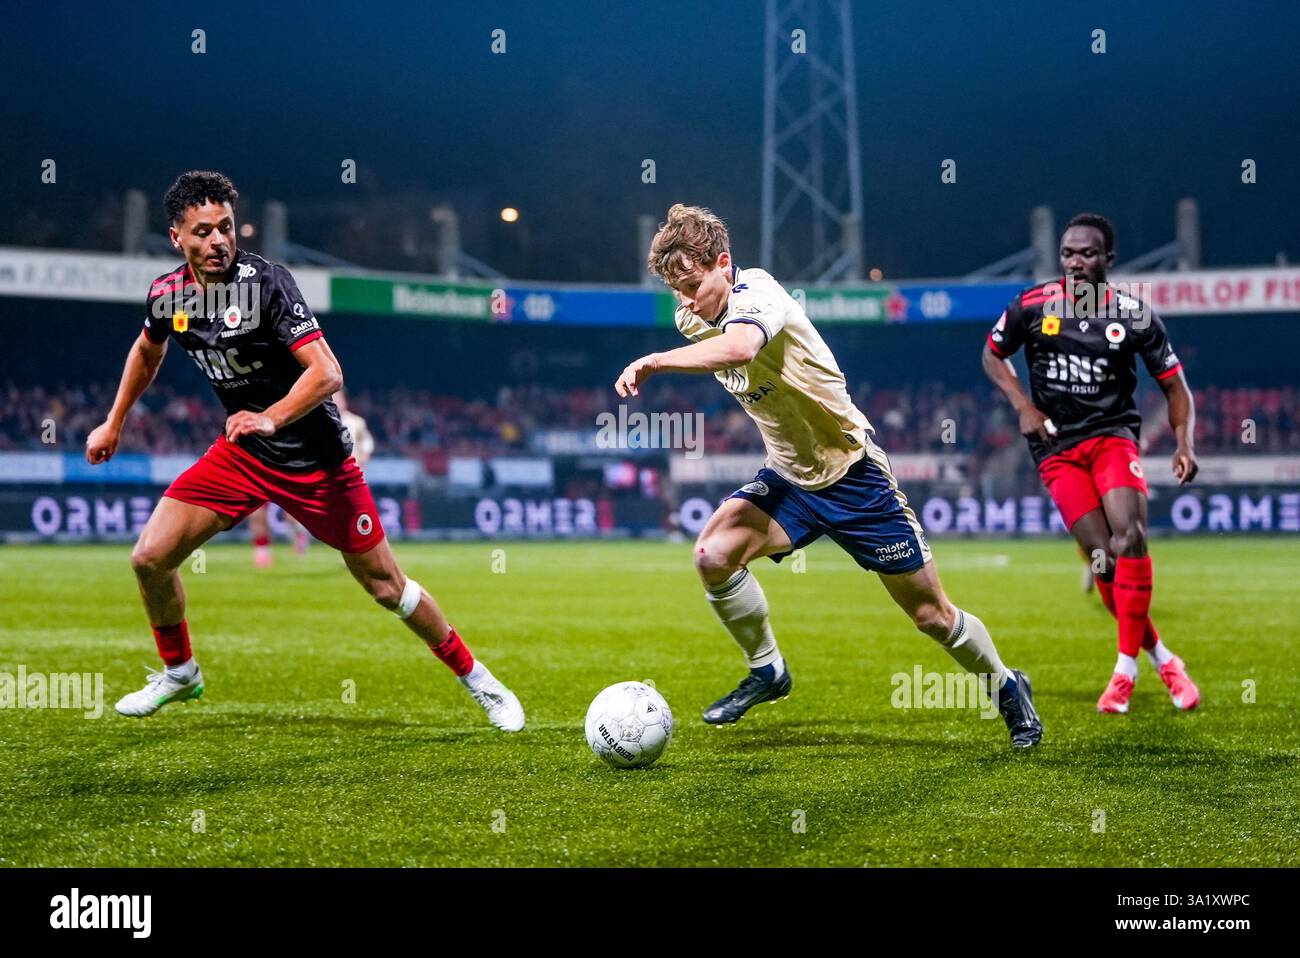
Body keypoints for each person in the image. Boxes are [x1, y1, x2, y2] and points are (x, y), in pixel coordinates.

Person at [86, 170, 524, 730]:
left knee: (386, 586)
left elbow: (327, 373)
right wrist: (114, 421)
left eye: (225, 228)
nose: (218, 240)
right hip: (243, 455)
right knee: (149, 557)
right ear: (177, 237)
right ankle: (180, 672)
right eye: (203, 232)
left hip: (316, 460)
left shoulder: (267, 285)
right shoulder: (168, 295)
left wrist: (271, 417)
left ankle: (480, 681)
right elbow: (148, 349)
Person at [616, 204, 1042, 748]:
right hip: (790, 479)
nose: (685, 302)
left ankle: (1007, 686)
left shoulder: (760, 293)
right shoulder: (692, 316)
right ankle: (768, 670)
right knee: (712, 555)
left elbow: (744, 346)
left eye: (694, 285)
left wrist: (654, 361)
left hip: (853, 476)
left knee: (933, 617)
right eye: (676, 292)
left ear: (724, 263)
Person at [982, 213, 1200, 713]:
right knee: (1103, 562)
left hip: (1112, 439)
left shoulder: (1134, 315)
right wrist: (1023, 405)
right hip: (1056, 448)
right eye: (1068, 254)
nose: (1076, 262)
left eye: (1087, 254)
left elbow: (1174, 385)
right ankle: (1165, 661)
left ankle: (1123, 672)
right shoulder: (1032, 306)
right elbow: (993, 355)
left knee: (1131, 538)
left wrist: (1183, 444)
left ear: (1108, 260)